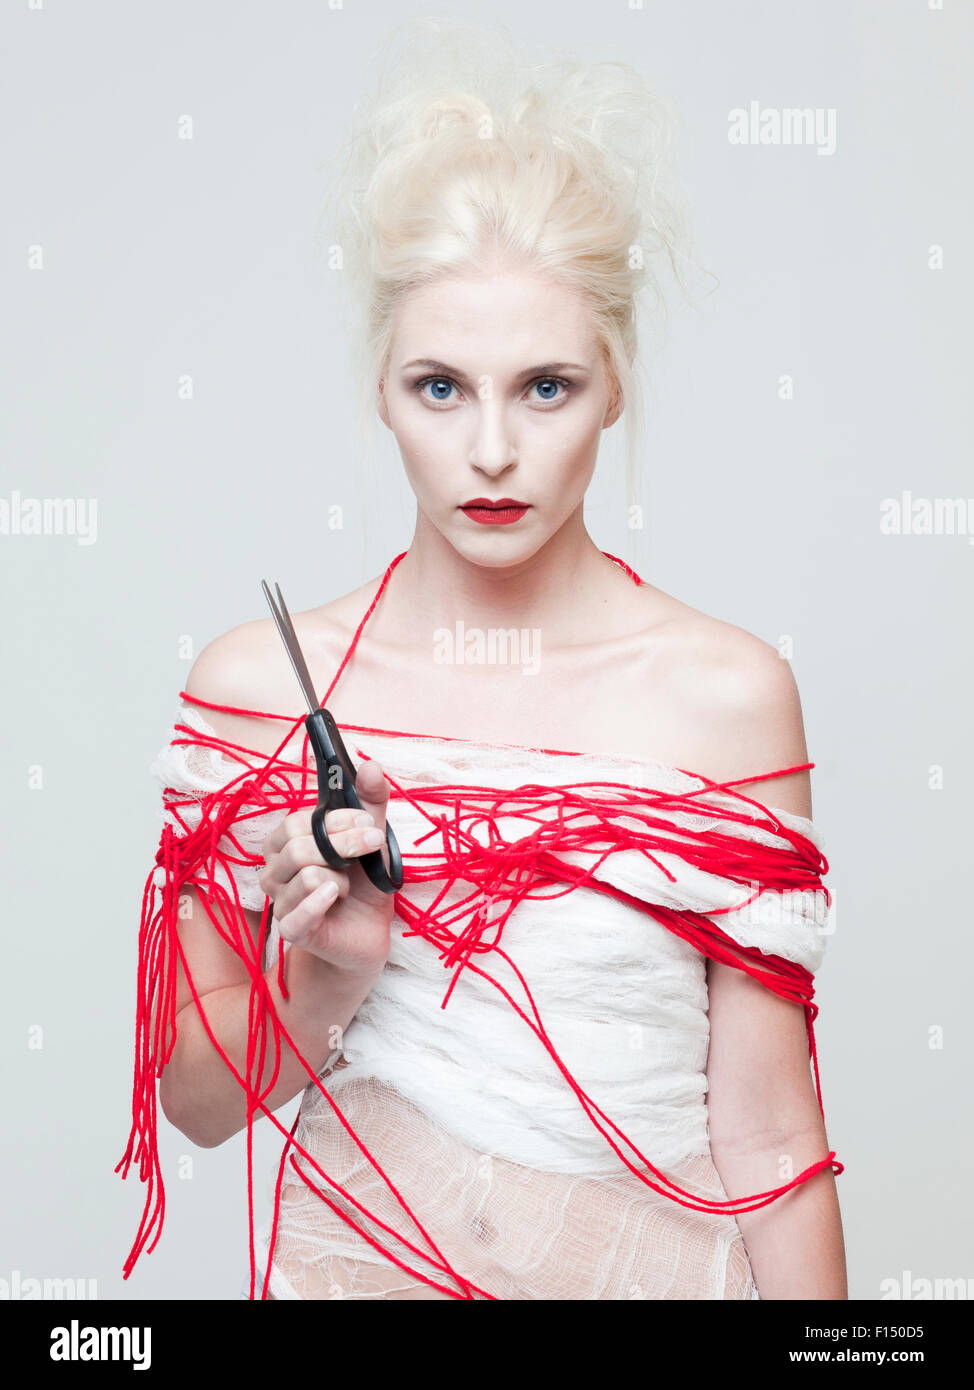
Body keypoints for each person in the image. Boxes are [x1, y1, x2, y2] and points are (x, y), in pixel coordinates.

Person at [129, 18, 847, 1300]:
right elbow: (194, 1103)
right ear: (381, 388)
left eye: (546, 386)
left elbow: (769, 1139)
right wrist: (326, 974)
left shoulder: (726, 700)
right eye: (441, 387)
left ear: (613, 384)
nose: (493, 450)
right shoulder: (258, 692)